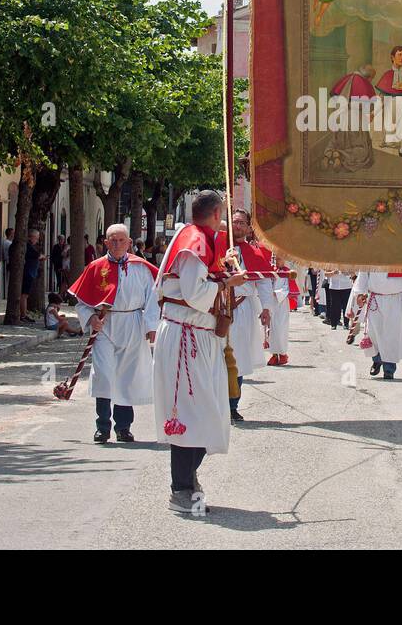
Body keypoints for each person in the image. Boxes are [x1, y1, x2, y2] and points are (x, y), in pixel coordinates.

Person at [152, 191, 248, 513]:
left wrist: (225, 275)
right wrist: (226, 285)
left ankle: (187, 481)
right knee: (191, 415)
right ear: (217, 212)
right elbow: (194, 294)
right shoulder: (194, 241)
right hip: (186, 337)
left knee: (208, 413)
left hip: (196, 336)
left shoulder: (199, 238)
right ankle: (181, 489)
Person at [70, 225, 159, 443]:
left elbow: (153, 298)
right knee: (104, 375)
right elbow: (81, 303)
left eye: (121, 240)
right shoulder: (95, 267)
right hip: (105, 326)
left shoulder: (141, 268)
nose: (117, 244)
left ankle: (123, 427)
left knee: (126, 377)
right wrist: (91, 319)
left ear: (129, 242)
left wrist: (151, 326)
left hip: (133, 323)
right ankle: (103, 426)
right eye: (113, 240)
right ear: (106, 243)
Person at [350, 271, 402, 379]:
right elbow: (363, 273)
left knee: (392, 336)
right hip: (375, 298)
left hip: (397, 300)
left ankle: (389, 369)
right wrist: (359, 293)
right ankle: (377, 360)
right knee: (374, 333)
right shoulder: (371, 255)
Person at [225, 210, 265, 417]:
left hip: (242, 309)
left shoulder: (254, 252)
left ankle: (232, 405)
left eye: (241, 223)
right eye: (234, 222)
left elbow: (264, 281)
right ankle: (217, 404)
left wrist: (266, 308)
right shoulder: (218, 248)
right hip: (218, 308)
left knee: (237, 358)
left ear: (249, 227)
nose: (238, 226)